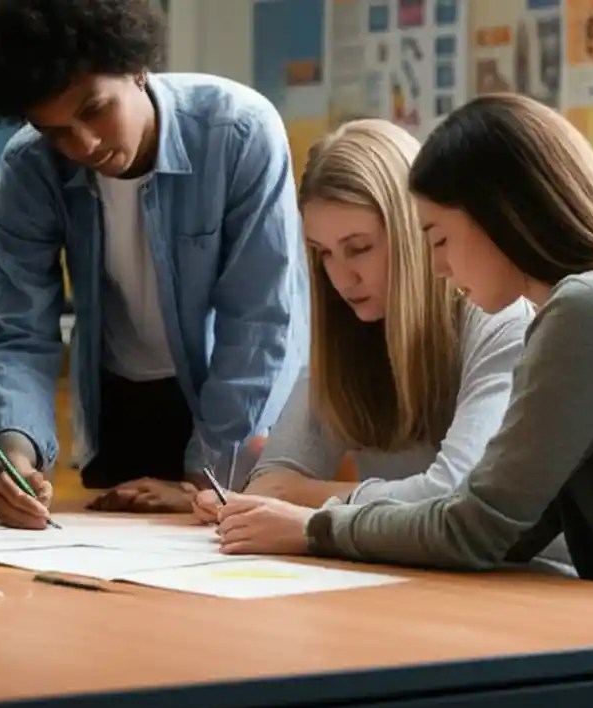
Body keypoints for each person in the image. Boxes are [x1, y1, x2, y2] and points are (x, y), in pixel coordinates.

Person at [210, 93, 593, 599]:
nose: (437, 268)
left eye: (438, 238)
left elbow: (475, 527)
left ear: (500, 217)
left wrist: (313, 527)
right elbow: (514, 525)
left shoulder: (590, 308)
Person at [0, 0, 309, 525]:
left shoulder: (239, 133)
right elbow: (21, 330)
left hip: (234, 404)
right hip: (121, 403)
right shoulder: (30, 167)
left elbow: (261, 324)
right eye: (55, 131)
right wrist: (16, 456)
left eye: (95, 109)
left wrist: (201, 483)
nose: (84, 143)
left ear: (138, 67)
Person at [191, 119, 571, 567]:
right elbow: (276, 475)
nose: (340, 277)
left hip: (535, 582)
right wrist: (259, 504)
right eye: (323, 253)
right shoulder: (350, 328)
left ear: (414, 234)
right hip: (417, 579)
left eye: (359, 248)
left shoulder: (500, 318)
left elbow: (455, 497)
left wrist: (304, 503)